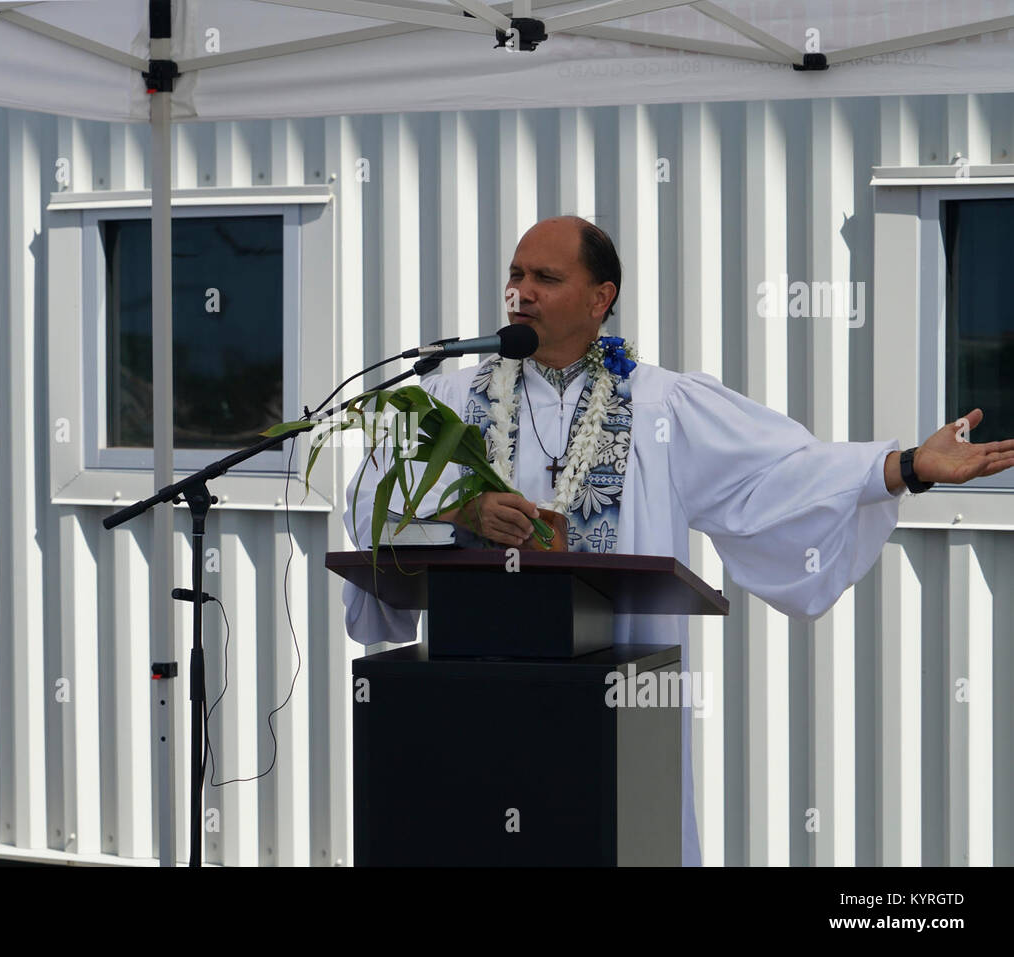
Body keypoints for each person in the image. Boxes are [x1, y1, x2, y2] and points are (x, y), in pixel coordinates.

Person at [342, 216, 1014, 866]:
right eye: (515, 275)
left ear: (601, 298)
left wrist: (908, 467)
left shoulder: (661, 405)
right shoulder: (448, 397)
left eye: (545, 277)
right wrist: (463, 507)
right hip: (465, 700)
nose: (521, 292)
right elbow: (368, 495)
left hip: (609, 705)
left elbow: (780, 473)